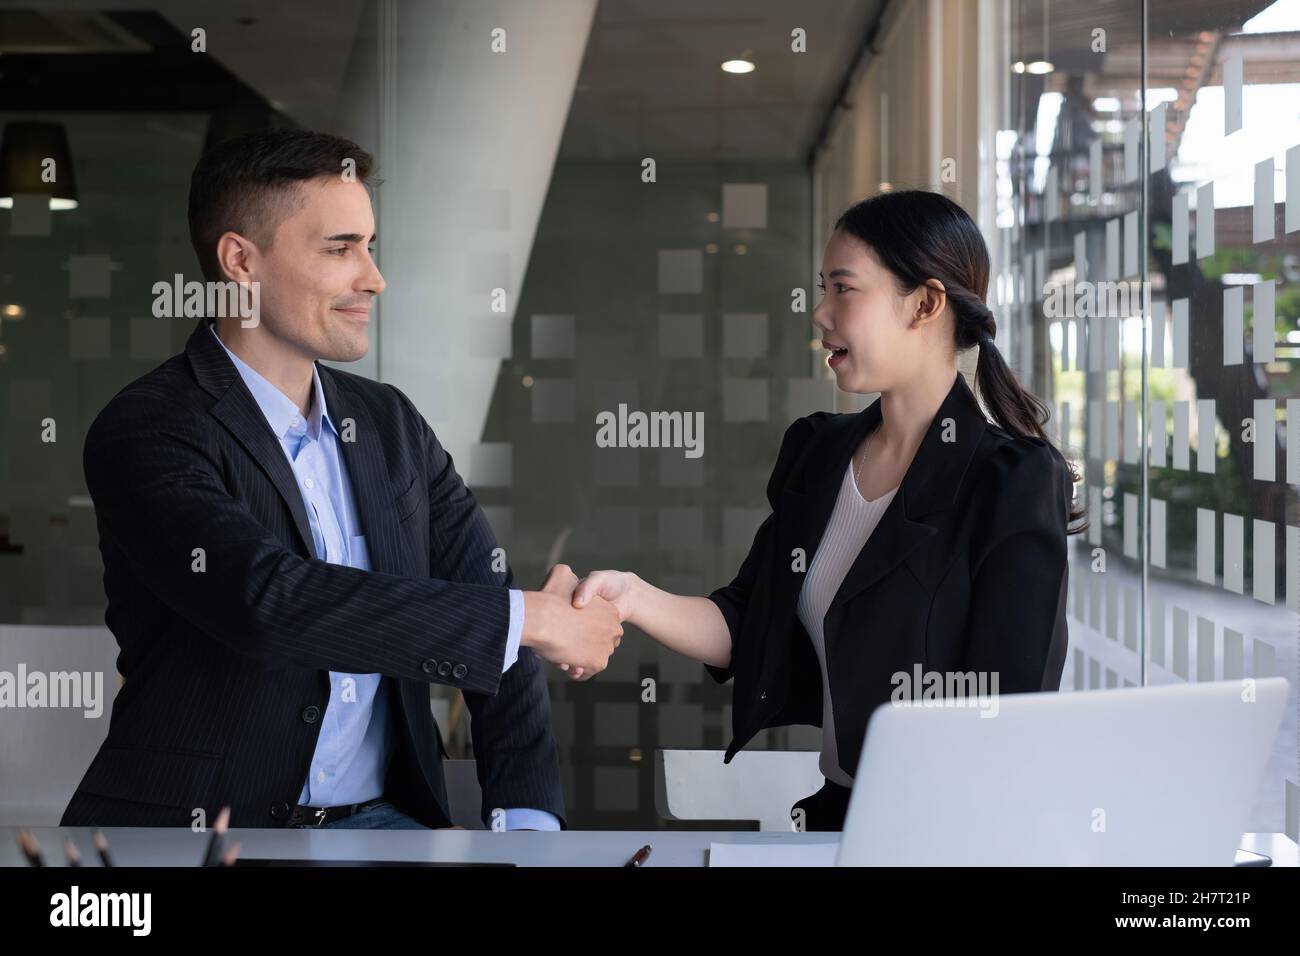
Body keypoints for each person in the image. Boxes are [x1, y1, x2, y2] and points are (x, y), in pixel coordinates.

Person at [61, 129, 621, 831]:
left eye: (370, 246)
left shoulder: (390, 425)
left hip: (385, 826)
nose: (373, 277)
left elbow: (487, 614)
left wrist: (531, 823)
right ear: (240, 261)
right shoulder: (150, 429)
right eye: (340, 248)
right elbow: (269, 601)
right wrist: (531, 620)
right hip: (199, 833)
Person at [571, 190, 1087, 831]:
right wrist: (631, 596)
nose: (819, 312)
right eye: (823, 288)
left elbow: (1013, 715)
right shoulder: (817, 452)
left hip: (950, 834)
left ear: (925, 303)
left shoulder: (1010, 481)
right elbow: (745, 620)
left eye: (844, 289)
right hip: (839, 817)